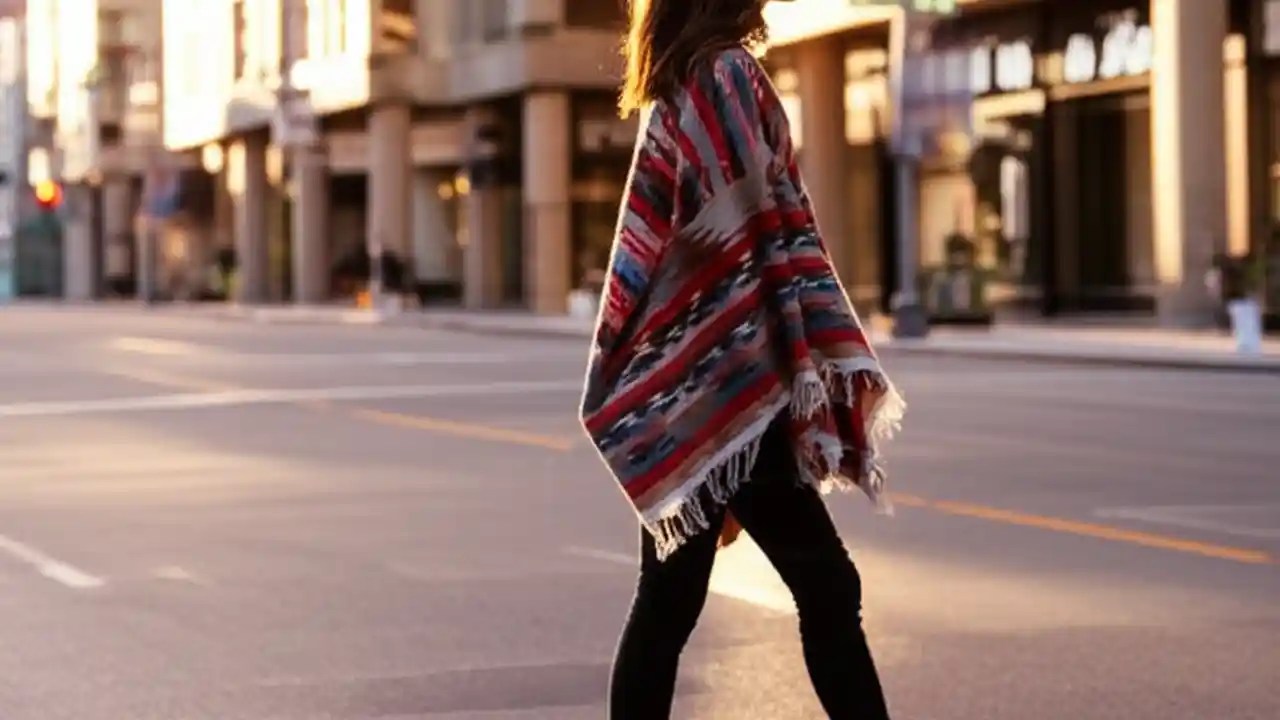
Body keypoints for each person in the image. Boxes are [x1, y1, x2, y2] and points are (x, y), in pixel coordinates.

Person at [579, 0, 906, 717]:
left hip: (693, 381)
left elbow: (679, 252)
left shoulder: (679, 81)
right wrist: (781, 360)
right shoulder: (727, 75)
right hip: (736, 377)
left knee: (667, 602)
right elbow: (758, 236)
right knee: (826, 587)